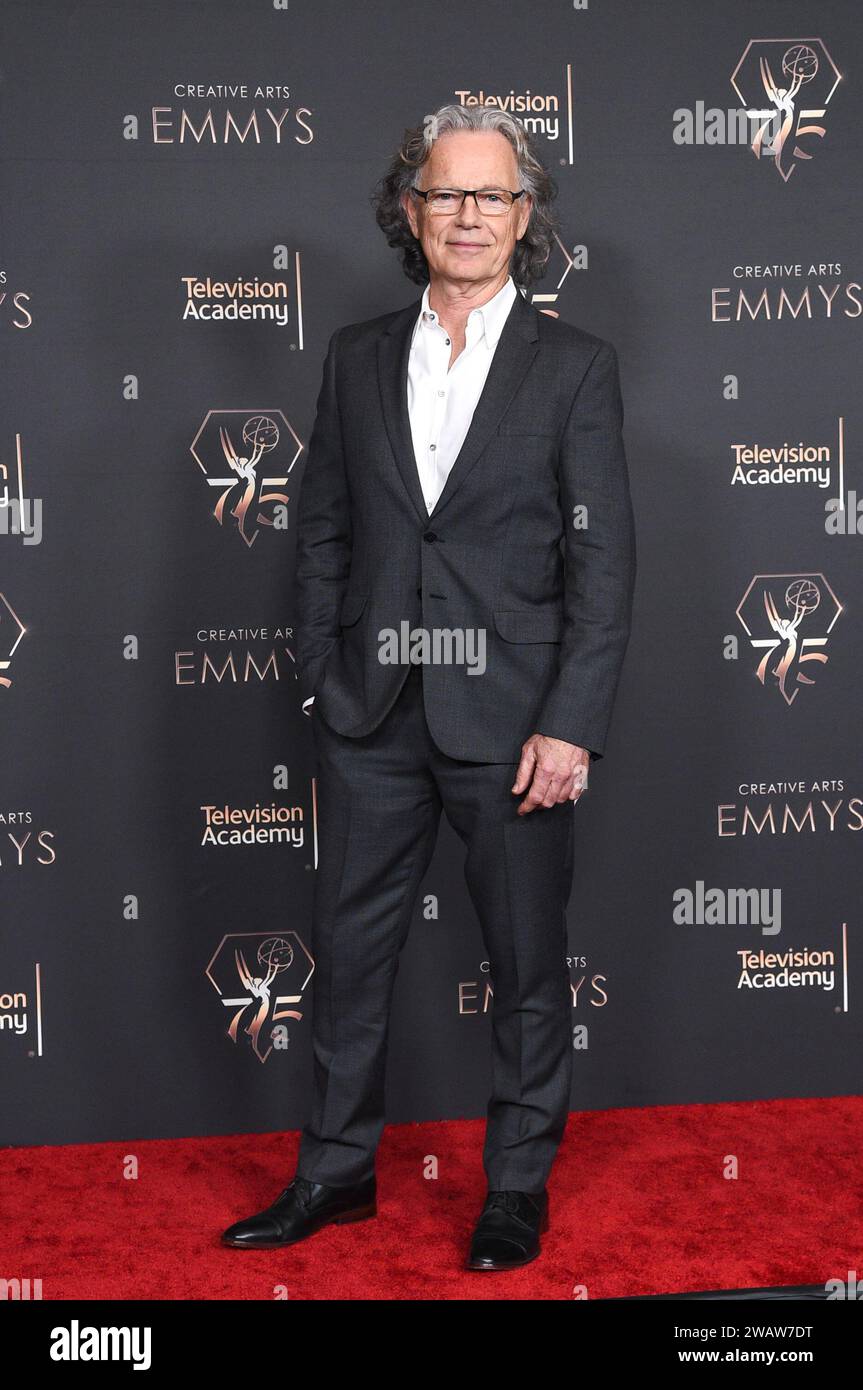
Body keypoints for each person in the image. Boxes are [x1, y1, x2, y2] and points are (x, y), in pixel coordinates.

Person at [222, 102, 636, 1272]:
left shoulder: (575, 368)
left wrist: (571, 723)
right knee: (348, 956)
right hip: (369, 715)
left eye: (491, 196)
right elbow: (322, 534)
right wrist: (320, 675)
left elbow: (602, 559)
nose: (468, 216)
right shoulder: (355, 354)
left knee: (524, 962)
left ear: (524, 215)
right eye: (445, 194)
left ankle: (513, 1190)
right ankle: (335, 1172)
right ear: (411, 212)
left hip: (512, 725)